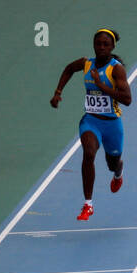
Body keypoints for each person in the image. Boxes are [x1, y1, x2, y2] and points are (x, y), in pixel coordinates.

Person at [50, 28, 131, 221]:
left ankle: (118, 172)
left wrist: (101, 85)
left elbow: (127, 99)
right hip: (91, 121)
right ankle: (88, 204)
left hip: (112, 124)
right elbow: (69, 69)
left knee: (112, 164)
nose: (101, 47)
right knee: (88, 153)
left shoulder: (116, 69)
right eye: (98, 44)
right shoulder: (86, 64)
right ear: (94, 45)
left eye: (106, 44)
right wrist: (58, 92)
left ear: (112, 47)